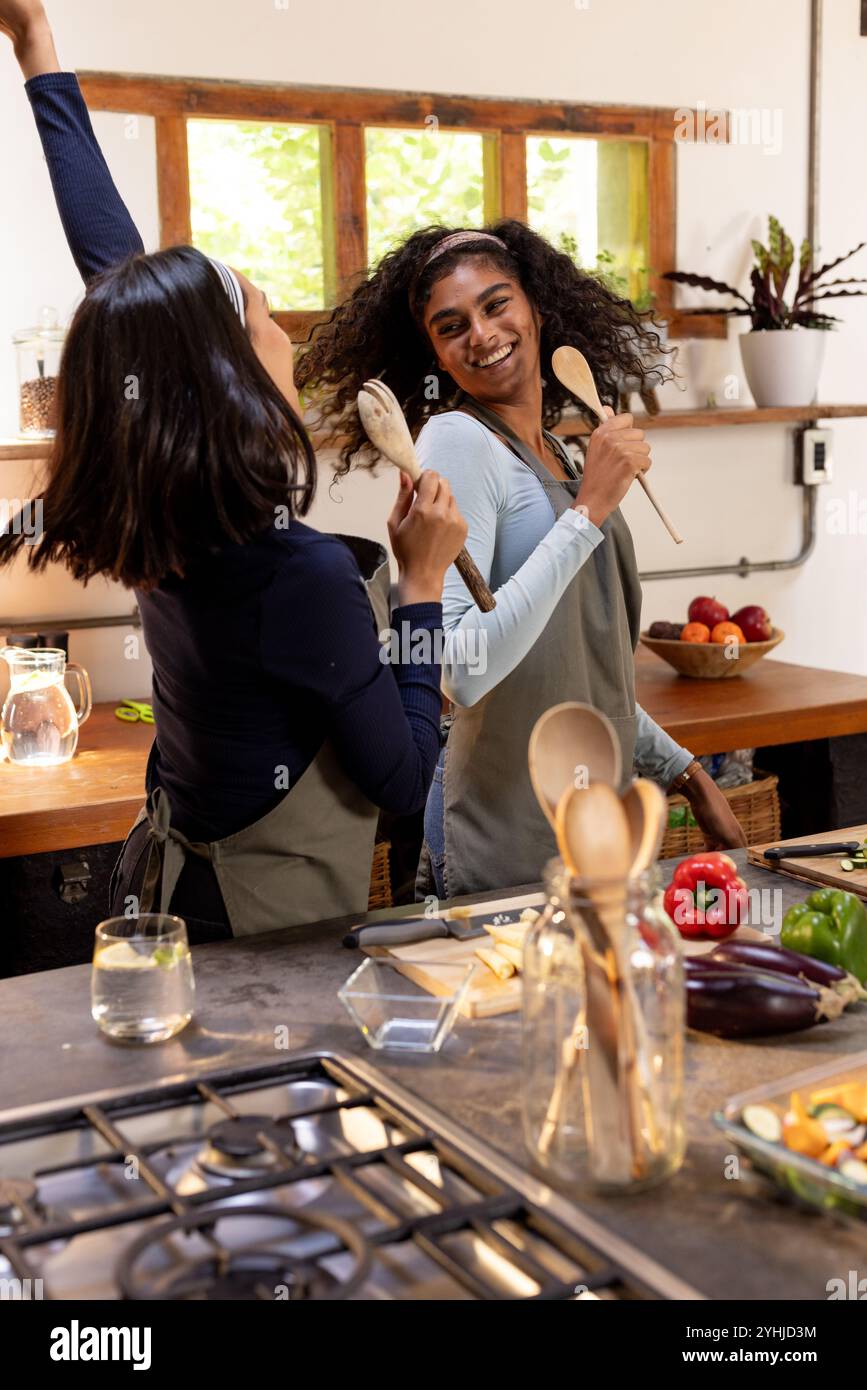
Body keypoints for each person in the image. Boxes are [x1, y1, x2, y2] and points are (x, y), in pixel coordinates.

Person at [0, 0, 467, 939]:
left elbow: (115, 278)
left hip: (182, 891)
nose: (282, 333)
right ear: (226, 376)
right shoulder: (299, 573)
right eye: (261, 317)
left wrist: (35, 46)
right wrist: (420, 590)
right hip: (268, 932)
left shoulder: (160, 503)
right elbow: (408, 777)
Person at [299, 225, 747, 898]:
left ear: (536, 307)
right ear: (436, 356)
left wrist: (688, 774)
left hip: (591, 816)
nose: (479, 333)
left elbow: (578, 672)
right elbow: (463, 672)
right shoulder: (459, 443)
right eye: (451, 327)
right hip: (501, 826)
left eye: (494, 304)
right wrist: (588, 511)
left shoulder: (564, 454)